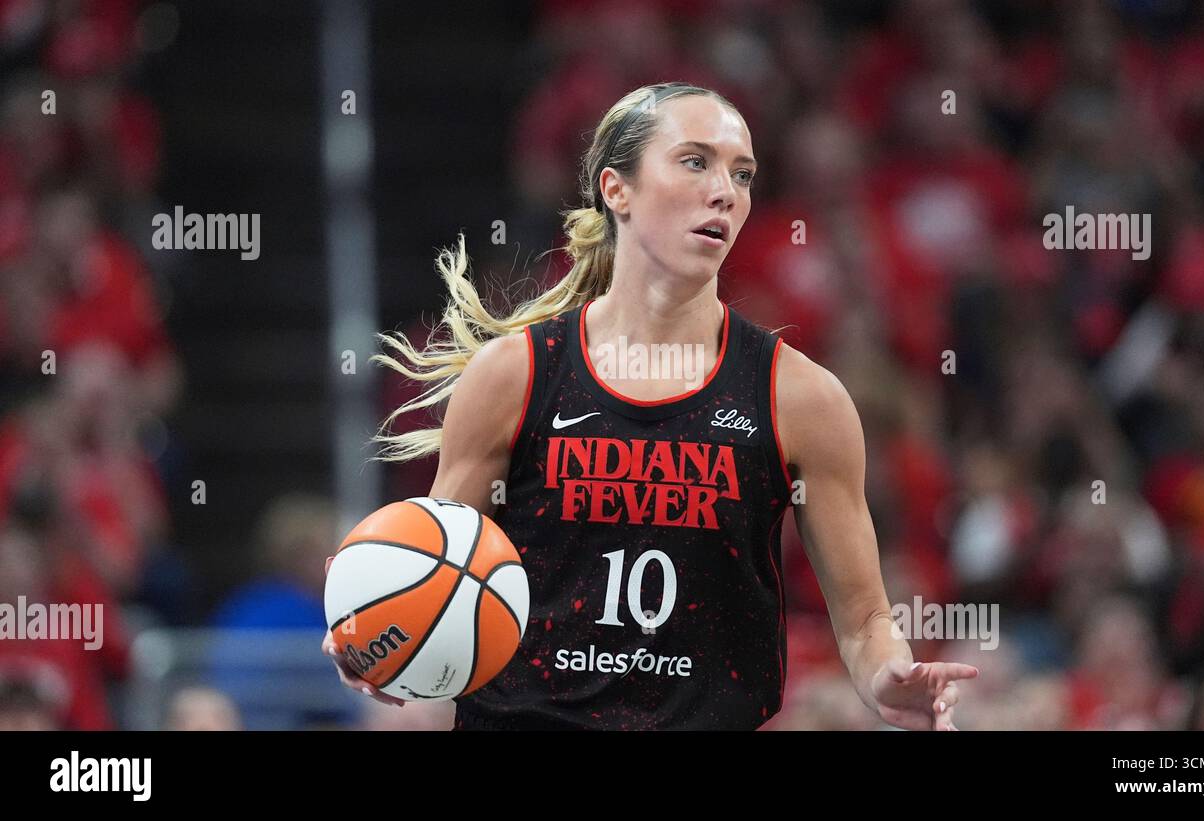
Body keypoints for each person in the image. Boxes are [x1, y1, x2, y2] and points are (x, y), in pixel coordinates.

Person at [322, 82, 976, 730]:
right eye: (695, 161)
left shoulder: (801, 398)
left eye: (742, 174)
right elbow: (438, 564)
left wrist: (887, 674)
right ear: (617, 189)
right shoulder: (515, 374)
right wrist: (375, 610)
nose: (725, 190)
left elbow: (865, 620)